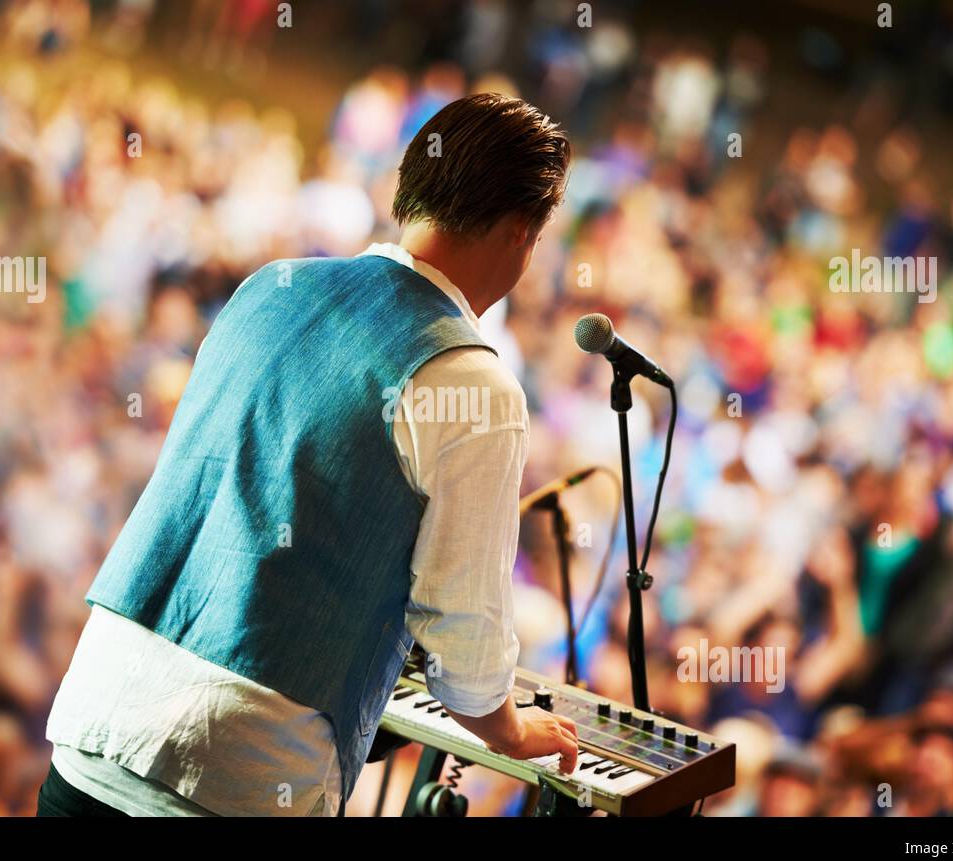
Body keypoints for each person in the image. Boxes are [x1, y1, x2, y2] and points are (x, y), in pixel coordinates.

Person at [38, 93, 579, 816]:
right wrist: (506, 727)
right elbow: (463, 633)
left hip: (99, 712)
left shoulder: (267, 288)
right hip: (239, 766)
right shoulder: (475, 384)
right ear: (521, 234)